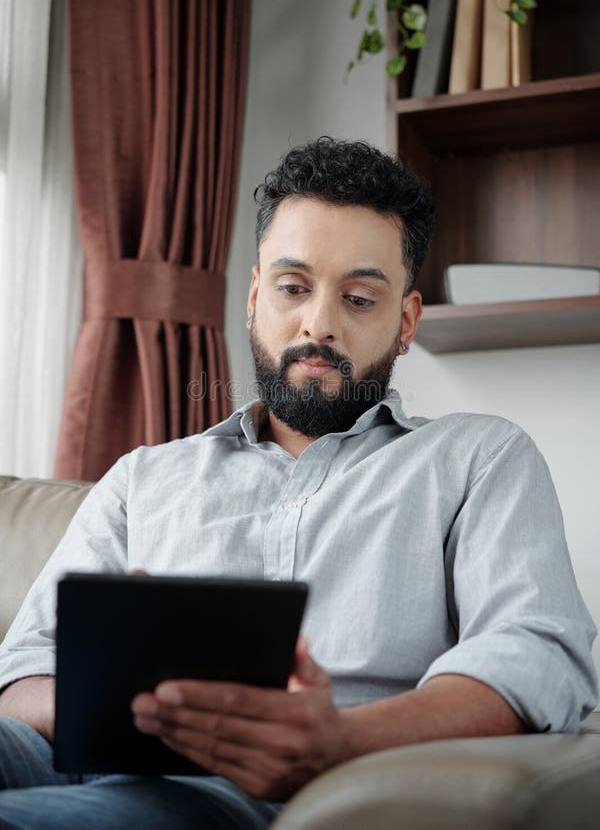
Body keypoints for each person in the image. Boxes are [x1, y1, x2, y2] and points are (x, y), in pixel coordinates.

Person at [0, 137, 597, 829]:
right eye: (293, 288)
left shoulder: (477, 458)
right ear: (255, 296)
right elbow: (21, 673)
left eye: (358, 298)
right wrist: (136, 715)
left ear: (404, 322)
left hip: (259, 801)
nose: (319, 324)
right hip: (74, 754)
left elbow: (536, 656)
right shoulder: (143, 477)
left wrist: (337, 743)